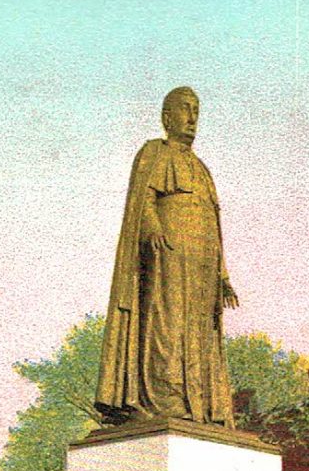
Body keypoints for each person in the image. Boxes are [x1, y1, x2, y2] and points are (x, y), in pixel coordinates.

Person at [95, 87, 238, 427]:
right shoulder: (154, 153)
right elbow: (142, 198)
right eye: (185, 109)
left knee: (200, 331)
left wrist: (223, 275)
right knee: (167, 324)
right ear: (166, 117)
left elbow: (214, 224)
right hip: (167, 253)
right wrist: (152, 226)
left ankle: (200, 406)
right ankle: (165, 400)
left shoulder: (201, 168)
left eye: (196, 110)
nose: (192, 117)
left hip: (203, 263)